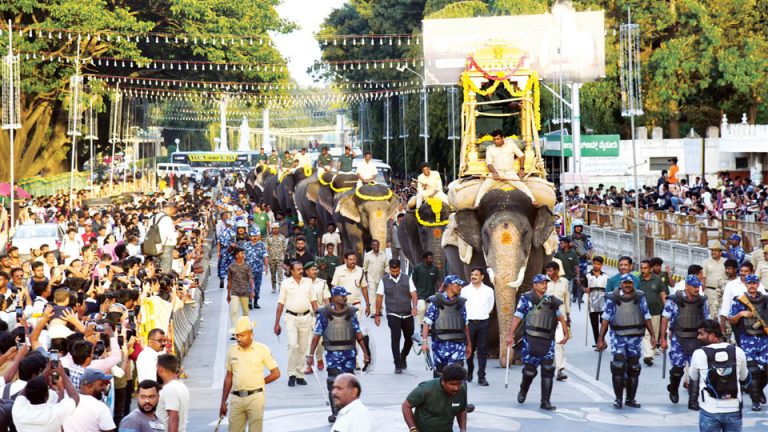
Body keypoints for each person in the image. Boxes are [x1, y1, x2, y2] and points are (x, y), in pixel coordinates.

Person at [506, 274, 569, 410]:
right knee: (529, 371)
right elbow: (517, 316)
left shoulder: (552, 300)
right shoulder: (526, 298)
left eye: (546, 283)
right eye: (541, 283)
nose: (544, 285)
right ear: (534, 285)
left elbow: (560, 317)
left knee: (548, 369)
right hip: (530, 340)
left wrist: (566, 333)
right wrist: (510, 334)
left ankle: (545, 402)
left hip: (547, 340)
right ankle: (523, 390)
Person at [307, 287, 370, 423]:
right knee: (333, 382)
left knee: (350, 384)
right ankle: (335, 412)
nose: (345, 298)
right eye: (342, 296)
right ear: (334, 297)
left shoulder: (351, 313)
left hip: (349, 353)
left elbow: (358, 334)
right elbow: (316, 336)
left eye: (345, 296)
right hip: (332, 354)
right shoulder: (324, 314)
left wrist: (365, 353)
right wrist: (311, 355)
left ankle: (350, 410)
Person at [597, 274, 656, 409]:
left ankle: (631, 399)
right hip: (618, 336)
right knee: (618, 366)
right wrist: (600, 339)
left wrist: (653, 336)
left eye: (630, 283)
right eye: (625, 283)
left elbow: (646, 316)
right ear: (621, 284)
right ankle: (618, 399)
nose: (627, 285)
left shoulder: (640, 297)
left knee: (634, 368)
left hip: (635, 336)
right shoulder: (613, 298)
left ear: (633, 283)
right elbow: (605, 319)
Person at [220, 317, 280, 432]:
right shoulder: (232, 350)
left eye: (242, 335)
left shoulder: (262, 350)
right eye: (237, 335)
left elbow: (276, 373)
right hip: (236, 399)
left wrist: (260, 382)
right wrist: (223, 402)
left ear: (251, 334)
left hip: (255, 398)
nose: (238, 338)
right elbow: (229, 377)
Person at [659, 275, 709, 410]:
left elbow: (706, 319)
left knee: (695, 370)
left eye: (698, 286)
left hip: (696, 339)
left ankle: (693, 400)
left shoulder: (702, 301)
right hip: (678, 339)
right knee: (677, 368)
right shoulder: (674, 300)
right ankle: (673, 388)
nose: (697, 289)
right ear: (687, 286)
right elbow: (665, 319)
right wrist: (662, 338)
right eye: (694, 286)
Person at [689, 319, 748, 432]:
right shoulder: (738, 351)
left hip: (709, 409)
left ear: (712, 335)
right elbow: (744, 377)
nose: (698, 337)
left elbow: (693, 376)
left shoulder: (699, 354)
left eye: (701, 334)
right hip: (733, 408)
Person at [727, 274, 768, 411]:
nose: (752, 286)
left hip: (764, 339)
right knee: (753, 371)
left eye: (754, 283)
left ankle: (758, 389)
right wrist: (741, 314)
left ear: (758, 284)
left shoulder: (765, 300)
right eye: (749, 283)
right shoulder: (739, 300)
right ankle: (755, 400)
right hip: (747, 338)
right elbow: (731, 319)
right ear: (746, 284)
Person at [274, 261, 318, 387]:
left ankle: (300, 374)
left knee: (303, 347)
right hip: (291, 317)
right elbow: (281, 303)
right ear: (291, 271)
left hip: (306, 317)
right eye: (298, 269)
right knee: (293, 345)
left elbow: (313, 300)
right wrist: (277, 323)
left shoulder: (308, 282)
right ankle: (291, 374)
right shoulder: (286, 284)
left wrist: (318, 317)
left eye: (302, 269)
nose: (301, 271)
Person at [420, 275, 471, 378]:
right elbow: (427, 323)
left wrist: (469, 344)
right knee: (440, 376)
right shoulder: (436, 302)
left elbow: (465, 325)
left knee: (457, 375)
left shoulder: (461, 303)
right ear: (449, 285)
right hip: (440, 346)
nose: (460, 287)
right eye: (458, 285)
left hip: (458, 345)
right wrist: (424, 342)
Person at [374, 259, 418, 374]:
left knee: (410, 338)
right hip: (392, 313)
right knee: (395, 337)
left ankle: (403, 355)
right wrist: (377, 314)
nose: (395, 273)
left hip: (407, 313)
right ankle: (397, 364)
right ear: (389, 269)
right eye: (393, 271)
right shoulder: (384, 280)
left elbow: (413, 293)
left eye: (397, 271)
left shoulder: (407, 278)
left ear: (400, 269)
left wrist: (414, 307)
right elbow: (379, 297)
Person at [474, 129, 536, 207]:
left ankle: (533, 201)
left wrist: (522, 169)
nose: (496, 141)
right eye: (494, 139)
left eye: (498, 139)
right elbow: (489, 163)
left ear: (502, 138)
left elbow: (521, 156)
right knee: (484, 187)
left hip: (509, 172)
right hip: (497, 172)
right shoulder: (490, 148)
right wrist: (494, 173)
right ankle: (477, 204)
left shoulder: (511, 145)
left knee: (521, 185)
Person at [402, 363, 468, 432]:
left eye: (459, 384)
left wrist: (463, 429)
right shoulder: (425, 389)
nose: (456, 388)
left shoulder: (462, 390)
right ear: (443, 382)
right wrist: (413, 429)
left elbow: (462, 410)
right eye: (452, 384)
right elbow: (406, 406)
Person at [12, 366, 79, 432]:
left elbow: (22, 394)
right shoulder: (54, 413)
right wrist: (62, 373)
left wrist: (45, 372)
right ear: (47, 396)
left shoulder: (18, 411)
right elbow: (75, 396)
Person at [460, 268, 494, 386]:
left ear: (482, 277)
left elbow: (490, 306)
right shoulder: (465, 290)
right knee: (469, 348)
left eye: (476, 275)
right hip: (469, 323)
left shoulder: (488, 290)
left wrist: (483, 315)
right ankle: (470, 369)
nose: (473, 276)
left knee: (482, 350)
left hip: (483, 322)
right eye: (472, 274)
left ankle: (481, 376)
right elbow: (462, 306)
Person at [637, 259, 668, 366]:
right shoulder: (637, 280)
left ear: (650, 269)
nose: (643, 270)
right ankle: (648, 355)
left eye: (645, 268)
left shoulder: (657, 280)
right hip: (641, 312)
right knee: (646, 333)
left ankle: (651, 354)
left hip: (655, 311)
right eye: (641, 268)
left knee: (654, 333)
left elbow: (663, 295)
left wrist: (667, 309)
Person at [544, 261, 570, 381]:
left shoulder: (564, 282)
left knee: (559, 343)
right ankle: (549, 366)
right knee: (548, 344)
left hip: (561, 317)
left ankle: (559, 369)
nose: (548, 273)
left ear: (556, 271)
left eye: (550, 271)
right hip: (546, 316)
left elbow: (567, 299)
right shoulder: (544, 282)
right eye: (547, 271)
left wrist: (568, 316)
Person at [331, 251, 370, 322]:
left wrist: (368, 305)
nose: (353, 261)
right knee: (343, 327)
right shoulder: (338, 270)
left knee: (355, 327)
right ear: (345, 260)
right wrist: (333, 305)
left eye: (354, 259)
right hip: (342, 306)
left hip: (356, 305)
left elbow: (364, 288)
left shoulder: (360, 271)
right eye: (350, 259)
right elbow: (334, 288)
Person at [156, 354, 189, 432]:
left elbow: (174, 418)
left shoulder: (170, 389)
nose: (155, 370)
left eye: (156, 367)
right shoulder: (181, 385)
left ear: (161, 369)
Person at [412, 251, 441, 336]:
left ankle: (429, 328)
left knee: (429, 311)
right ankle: (422, 326)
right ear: (425, 259)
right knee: (422, 308)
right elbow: (413, 281)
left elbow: (438, 281)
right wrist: (412, 293)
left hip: (431, 294)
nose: (432, 260)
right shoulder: (417, 268)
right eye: (430, 258)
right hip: (420, 294)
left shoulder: (435, 268)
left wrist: (440, 291)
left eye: (432, 258)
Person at [228, 247, 255, 333]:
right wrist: (228, 294)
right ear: (236, 256)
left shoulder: (247, 266)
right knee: (234, 311)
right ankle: (235, 331)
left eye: (243, 253)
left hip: (244, 292)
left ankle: (245, 329)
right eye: (241, 253)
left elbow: (251, 279)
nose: (243, 255)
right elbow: (229, 280)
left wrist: (252, 291)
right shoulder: (231, 267)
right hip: (234, 292)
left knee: (245, 313)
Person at [586, 256, 608, 347]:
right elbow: (582, 287)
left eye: (598, 264)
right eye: (595, 263)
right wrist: (585, 289)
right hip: (592, 302)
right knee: (594, 324)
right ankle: (598, 343)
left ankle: (601, 339)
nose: (596, 266)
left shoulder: (605, 276)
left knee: (604, 322)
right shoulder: (587, 275)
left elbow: (608, 289)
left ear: (602, 265)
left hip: (603, 301)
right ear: (592, 263)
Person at [244, 229, 268, 309]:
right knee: (249, 286)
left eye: (256, 236)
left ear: (258, 237)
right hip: (248, 270)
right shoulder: (246, 245)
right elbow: (243, 257)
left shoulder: (261, 245)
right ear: (250, 237)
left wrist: (266, 267)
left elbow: (265, 256)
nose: (254, 238)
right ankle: (249, 301)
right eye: (253, 236)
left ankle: (256, 302)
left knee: (257, 286)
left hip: (258, 269)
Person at [703, 240, 727, 317]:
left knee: (722, 313)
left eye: (716, 251)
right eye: (712, 250)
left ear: (720, 252)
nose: (713, 252)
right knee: (712, 313)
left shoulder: (725, 262)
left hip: (723, 291)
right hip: (710, 291)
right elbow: (703, 277)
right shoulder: (706, 262)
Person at [553, 237, 579, 306]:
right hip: (560, 278)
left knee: (568, 293)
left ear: (567, 244)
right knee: (560, 293)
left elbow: (576, 266)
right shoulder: (558, 254)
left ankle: (568, 309)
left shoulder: (573, 253)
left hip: (570, 278)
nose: (560, 245)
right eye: (560, 243)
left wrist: (578, 277)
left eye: (562, 243)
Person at [155, 201, 179, 273]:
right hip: (166, 247)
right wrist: (178, 234)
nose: (173, 214)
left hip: (154, 246)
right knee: (165, 270)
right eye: (174, 212)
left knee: (157, 269)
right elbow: (171, 235)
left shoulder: (154, 217)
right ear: (170, 209)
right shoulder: (167, 219)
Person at [266, 223, 286, 293]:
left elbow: (284, 248)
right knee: (273, 274)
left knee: (280, 273)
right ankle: (273, 287)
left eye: (276, 228)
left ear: (278, 229)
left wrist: (285, 258)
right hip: (271, 258)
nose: (275, 230)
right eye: (274, 228)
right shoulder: (268, 238)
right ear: (272, 229)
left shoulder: (282, 237)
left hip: (280, 258)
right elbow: (266, 248)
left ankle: (281, 287)